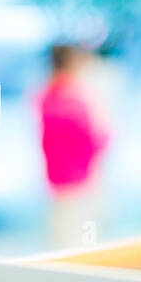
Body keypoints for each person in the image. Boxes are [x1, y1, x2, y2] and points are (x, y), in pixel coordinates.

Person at [34, 41, 112, 250]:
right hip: (80, 176)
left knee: (64, 232)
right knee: (82, 234)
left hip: (59, 176)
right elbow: (97, 137)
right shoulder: (76, 96)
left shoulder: (46, 94)